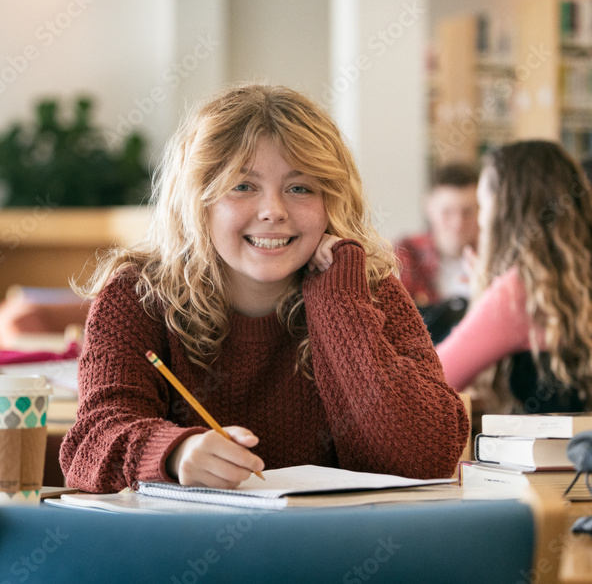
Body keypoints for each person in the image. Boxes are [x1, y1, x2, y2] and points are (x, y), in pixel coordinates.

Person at [58, 84, 468, 493]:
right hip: (187, 548)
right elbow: (89, 444)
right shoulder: (136, 296)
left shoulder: (366, 291)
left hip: (335, 547)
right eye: (243, 186)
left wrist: (338, 303)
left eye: (300, 188)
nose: (273, 210)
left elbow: (428, 457)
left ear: (331, 201)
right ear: (199, 201)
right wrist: (175, 454)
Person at [437, 140, 592, 414]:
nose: (481, 221)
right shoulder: (574, 279)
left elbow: (432, 380)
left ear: (504, 213)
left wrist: (483, 296)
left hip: (553, 456)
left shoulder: (518, 291)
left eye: (482, 206)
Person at [394, 164, 478, 343]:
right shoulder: (406, 254)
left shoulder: (492, 257)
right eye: (447, 212)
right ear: (429, 207)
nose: (458, 223)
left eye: (467, 211)